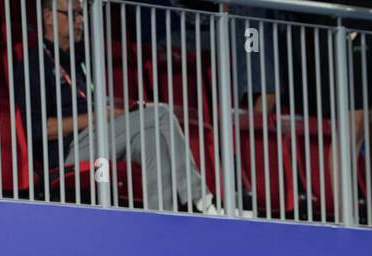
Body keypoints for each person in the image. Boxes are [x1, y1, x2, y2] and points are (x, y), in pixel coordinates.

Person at [19, 0, 222, 213]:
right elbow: (37, 129)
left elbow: (91, 105)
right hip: (68, 150)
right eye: (73, 14)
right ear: (49, 17)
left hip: (97, 134)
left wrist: (116, 113)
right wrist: (96, 117)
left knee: (152, 139)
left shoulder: (79, 61)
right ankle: (200, 197)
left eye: (81, 14)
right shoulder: (34, 64)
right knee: (161, 113)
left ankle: (162, 219)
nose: (81, 20)